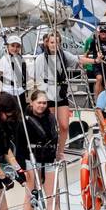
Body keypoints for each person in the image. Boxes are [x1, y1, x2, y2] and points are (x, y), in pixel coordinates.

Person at [17, 88, 60, 210]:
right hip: (31, 160)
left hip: (48, 159)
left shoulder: (51, 118)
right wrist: (21, 166)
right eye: (39, 102)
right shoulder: (24, 120)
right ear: (32, 102)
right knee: (31, 195)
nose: (42, 105)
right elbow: (19, 144)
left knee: (53, 195)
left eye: (44, 103)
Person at [34, 30, 80, 159]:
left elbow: (78, 60)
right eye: (52, 42)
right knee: (50, 126)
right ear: (47, 43)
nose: (54, 45)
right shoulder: (40, 58)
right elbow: (36, 78)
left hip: (61, 93)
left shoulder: (64, 55)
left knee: (64, 126)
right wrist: (42, 93)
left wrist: (96, 61)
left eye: (57, 42)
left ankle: (60, 151)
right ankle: (49, 151)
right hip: (48, 95)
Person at [0, 34, 28, 98]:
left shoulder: (21, 59)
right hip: (9, 94)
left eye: (18, 46)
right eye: (12, 46)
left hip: (21, 93)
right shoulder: (3, 60)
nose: (15, 49)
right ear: (7, 46)